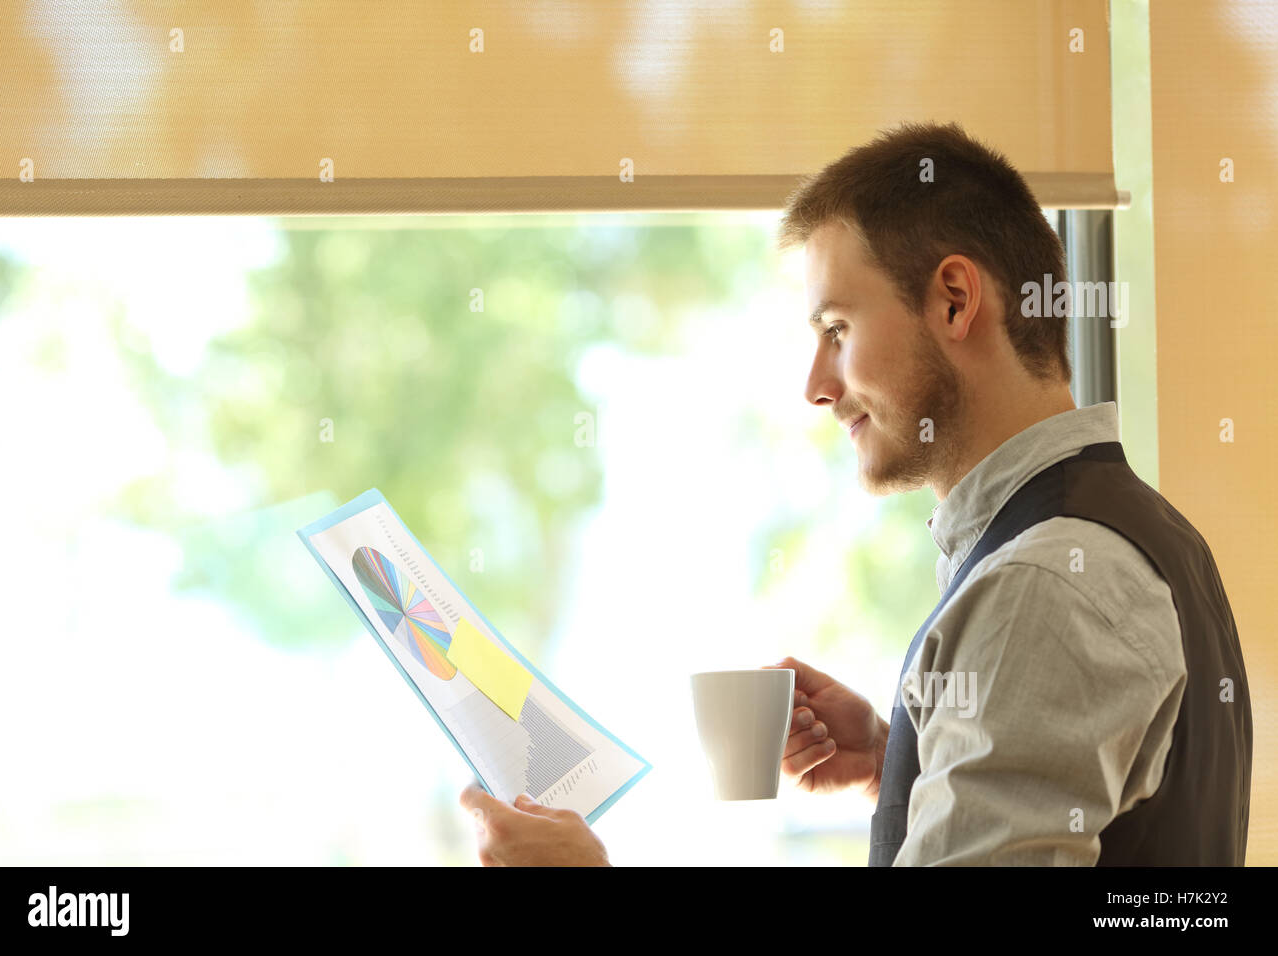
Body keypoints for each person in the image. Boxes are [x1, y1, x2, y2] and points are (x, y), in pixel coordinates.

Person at [460, 121, 1252, 866]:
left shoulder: (1042, 583)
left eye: (836, 330)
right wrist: (899, 760)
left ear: (954, 299)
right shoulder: (1146, 536)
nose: (815, 385)